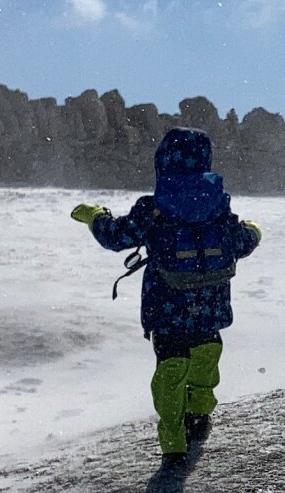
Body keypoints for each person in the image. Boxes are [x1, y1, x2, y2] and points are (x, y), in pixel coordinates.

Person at [72, 127, 261, 467]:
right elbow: (240, 244)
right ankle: (200, 413)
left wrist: (95, 216)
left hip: (167, 304)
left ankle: (173, 441)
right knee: (206, 351)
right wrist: (253, 230)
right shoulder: (219, 204)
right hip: (210, 303)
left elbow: (117, 238)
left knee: (171, 367)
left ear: (162, 162)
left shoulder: (154, 207)